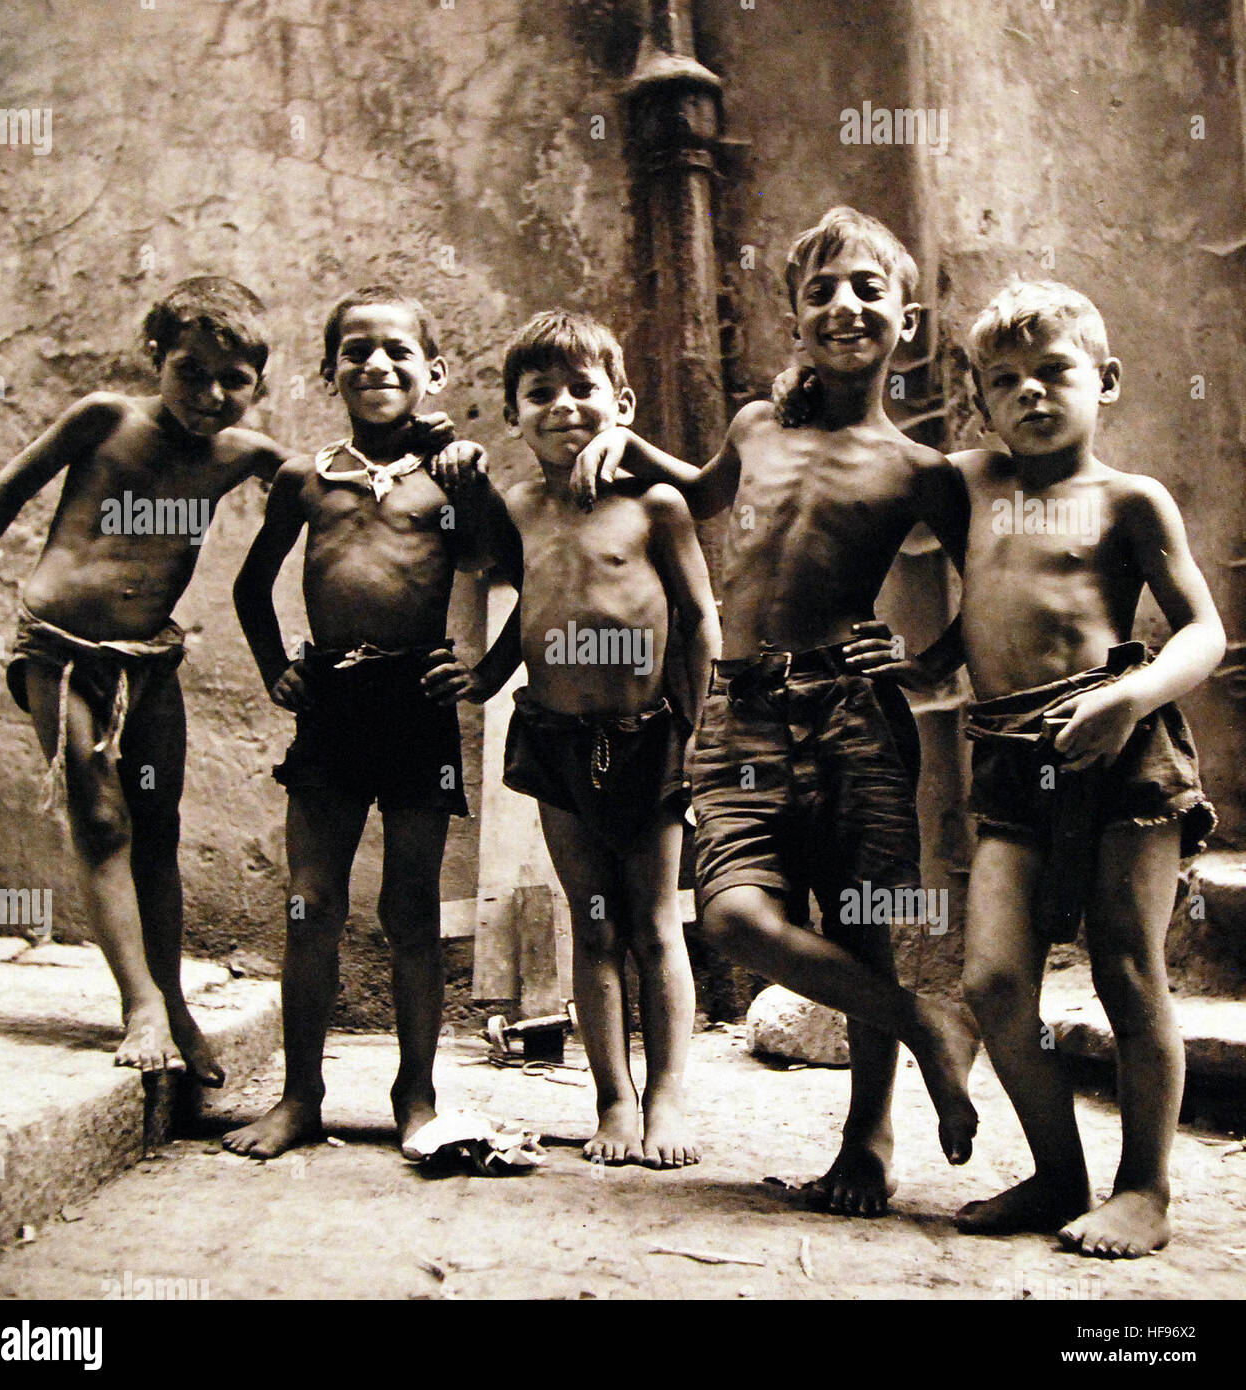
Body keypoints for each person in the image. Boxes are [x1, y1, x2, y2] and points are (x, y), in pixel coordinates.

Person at [569, 208, 981, 1214]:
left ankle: (867, 1142)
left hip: (851, 714)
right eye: (821, 290)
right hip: (743, 706)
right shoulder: (756, 425)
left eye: (867, 289)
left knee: (861, 922)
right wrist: (622, 443)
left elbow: (995, 596)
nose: (844, 306)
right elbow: (705, 495)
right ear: (793, 316)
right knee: (733, 915)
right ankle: (923, 1024)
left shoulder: (921, 472)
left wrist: (924, 667)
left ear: (906, 321)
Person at [0, 276, 291, 1083]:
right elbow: (3, 497)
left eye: (233, 380)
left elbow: (340, 490)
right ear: (155, 359)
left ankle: (170, 1001)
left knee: (158, 827)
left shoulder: (245, 456)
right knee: (101, 819)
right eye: (189, 371)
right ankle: (138, 1003)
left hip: (150, 662)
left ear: (259, 382)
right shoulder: (105, 418)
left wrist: (435, 458)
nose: (211, 396)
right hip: (58, 652)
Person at [950, 280, 1221, 1257]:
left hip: (1122, 751)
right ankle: (1056, 1172)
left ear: (1102, 382)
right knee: (988, 978)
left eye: (1053, 371)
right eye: (1003, 381)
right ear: (978, 402)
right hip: (1014, 763)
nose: (1029, 393)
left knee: (1124, 967)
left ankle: (1142, 1188)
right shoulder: (971, 485)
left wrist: (1131, 698)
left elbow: (1201, 629)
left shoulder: (1126, 501)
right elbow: (869, 472)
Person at [224, 287, 519, 1159]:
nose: (375, 364)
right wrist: (275, 665)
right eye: (355, 351)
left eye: (397, 351)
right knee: (309, 904)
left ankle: (415, 1096)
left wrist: (482, 675)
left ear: (431, 372)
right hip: (331, 706)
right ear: (329, 372)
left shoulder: (452, 482)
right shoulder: (304, 479)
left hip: (415, 710)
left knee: (411, 908)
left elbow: (519, 573)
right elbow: (251, 586)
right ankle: (301, 1096)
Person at [483, 309, 720, 1166]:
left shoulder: (655, 505)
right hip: (554, 739)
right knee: (591, 924)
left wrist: (699, 731)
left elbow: (698, 623)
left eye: (583, 390)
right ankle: (612, 1101)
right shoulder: (515, 510)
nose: (562, 408)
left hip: (649, 734)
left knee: (655, 924)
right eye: (539, 394)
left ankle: (666, 1101)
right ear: (513, 414)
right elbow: (533, 612)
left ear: (619, 403)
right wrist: (476, 679)